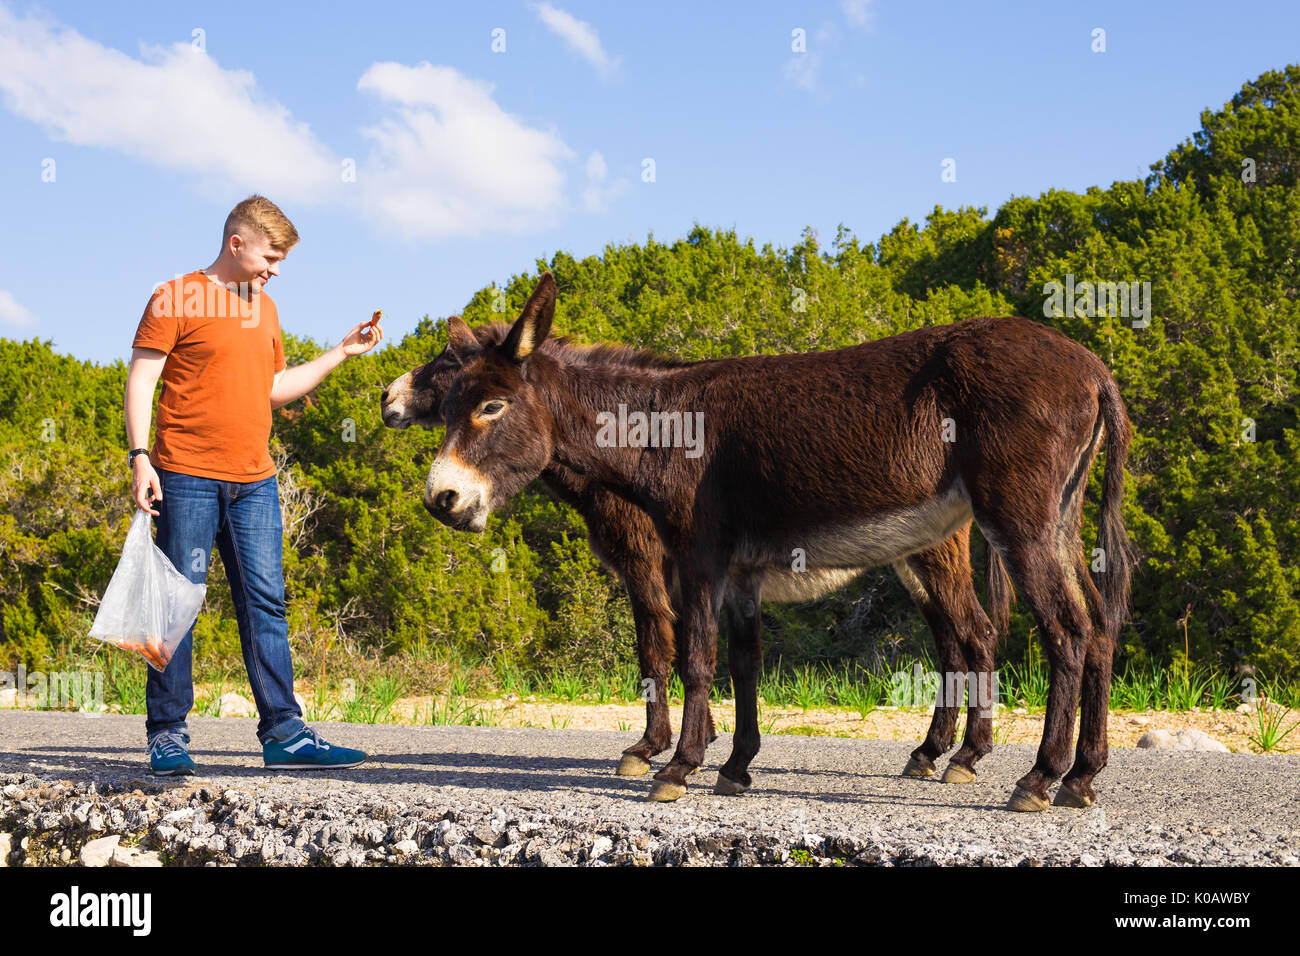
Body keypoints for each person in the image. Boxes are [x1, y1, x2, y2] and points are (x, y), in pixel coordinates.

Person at [124, 195, 383, 775]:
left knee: (267, 604)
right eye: (271, 256)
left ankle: (285, 735)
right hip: (185, 474)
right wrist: (141, 457)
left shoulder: (264, 309)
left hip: (255, 483)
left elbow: (272, 387)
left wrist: (342, 352)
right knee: (175, 606)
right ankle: (168, 735)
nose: (275, 270)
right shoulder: (174, 296)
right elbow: (142, 381)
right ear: (236, 244)